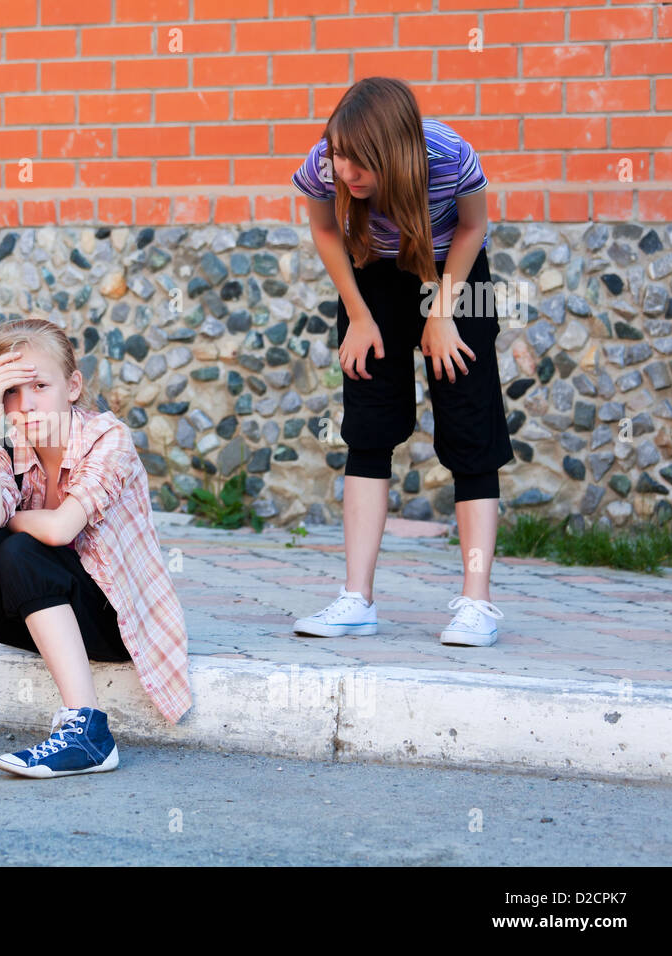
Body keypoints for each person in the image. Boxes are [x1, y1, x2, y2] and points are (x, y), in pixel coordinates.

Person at [0, 317, 192, 777]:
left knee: (18, 548)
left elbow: (62, 528)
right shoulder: (9, 451)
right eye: (11, 392)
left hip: (114, 620)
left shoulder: (109, 439)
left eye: (40, 385)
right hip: (40, 614)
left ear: (73, 385)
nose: (27, 404)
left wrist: (14, 523)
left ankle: (88, 731)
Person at [289, 77, 515, 646]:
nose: (344, 172)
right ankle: (356, 599)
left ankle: (477, 604)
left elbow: (472, 226)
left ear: (394, 152)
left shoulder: (450, 156)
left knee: (470, 432)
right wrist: (359, 316)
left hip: (454, 275)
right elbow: (324, 230)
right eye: (339, 156)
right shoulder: (323, 163)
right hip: (373, 278)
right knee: (368, 429)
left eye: (359, 163)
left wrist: (442, 313)